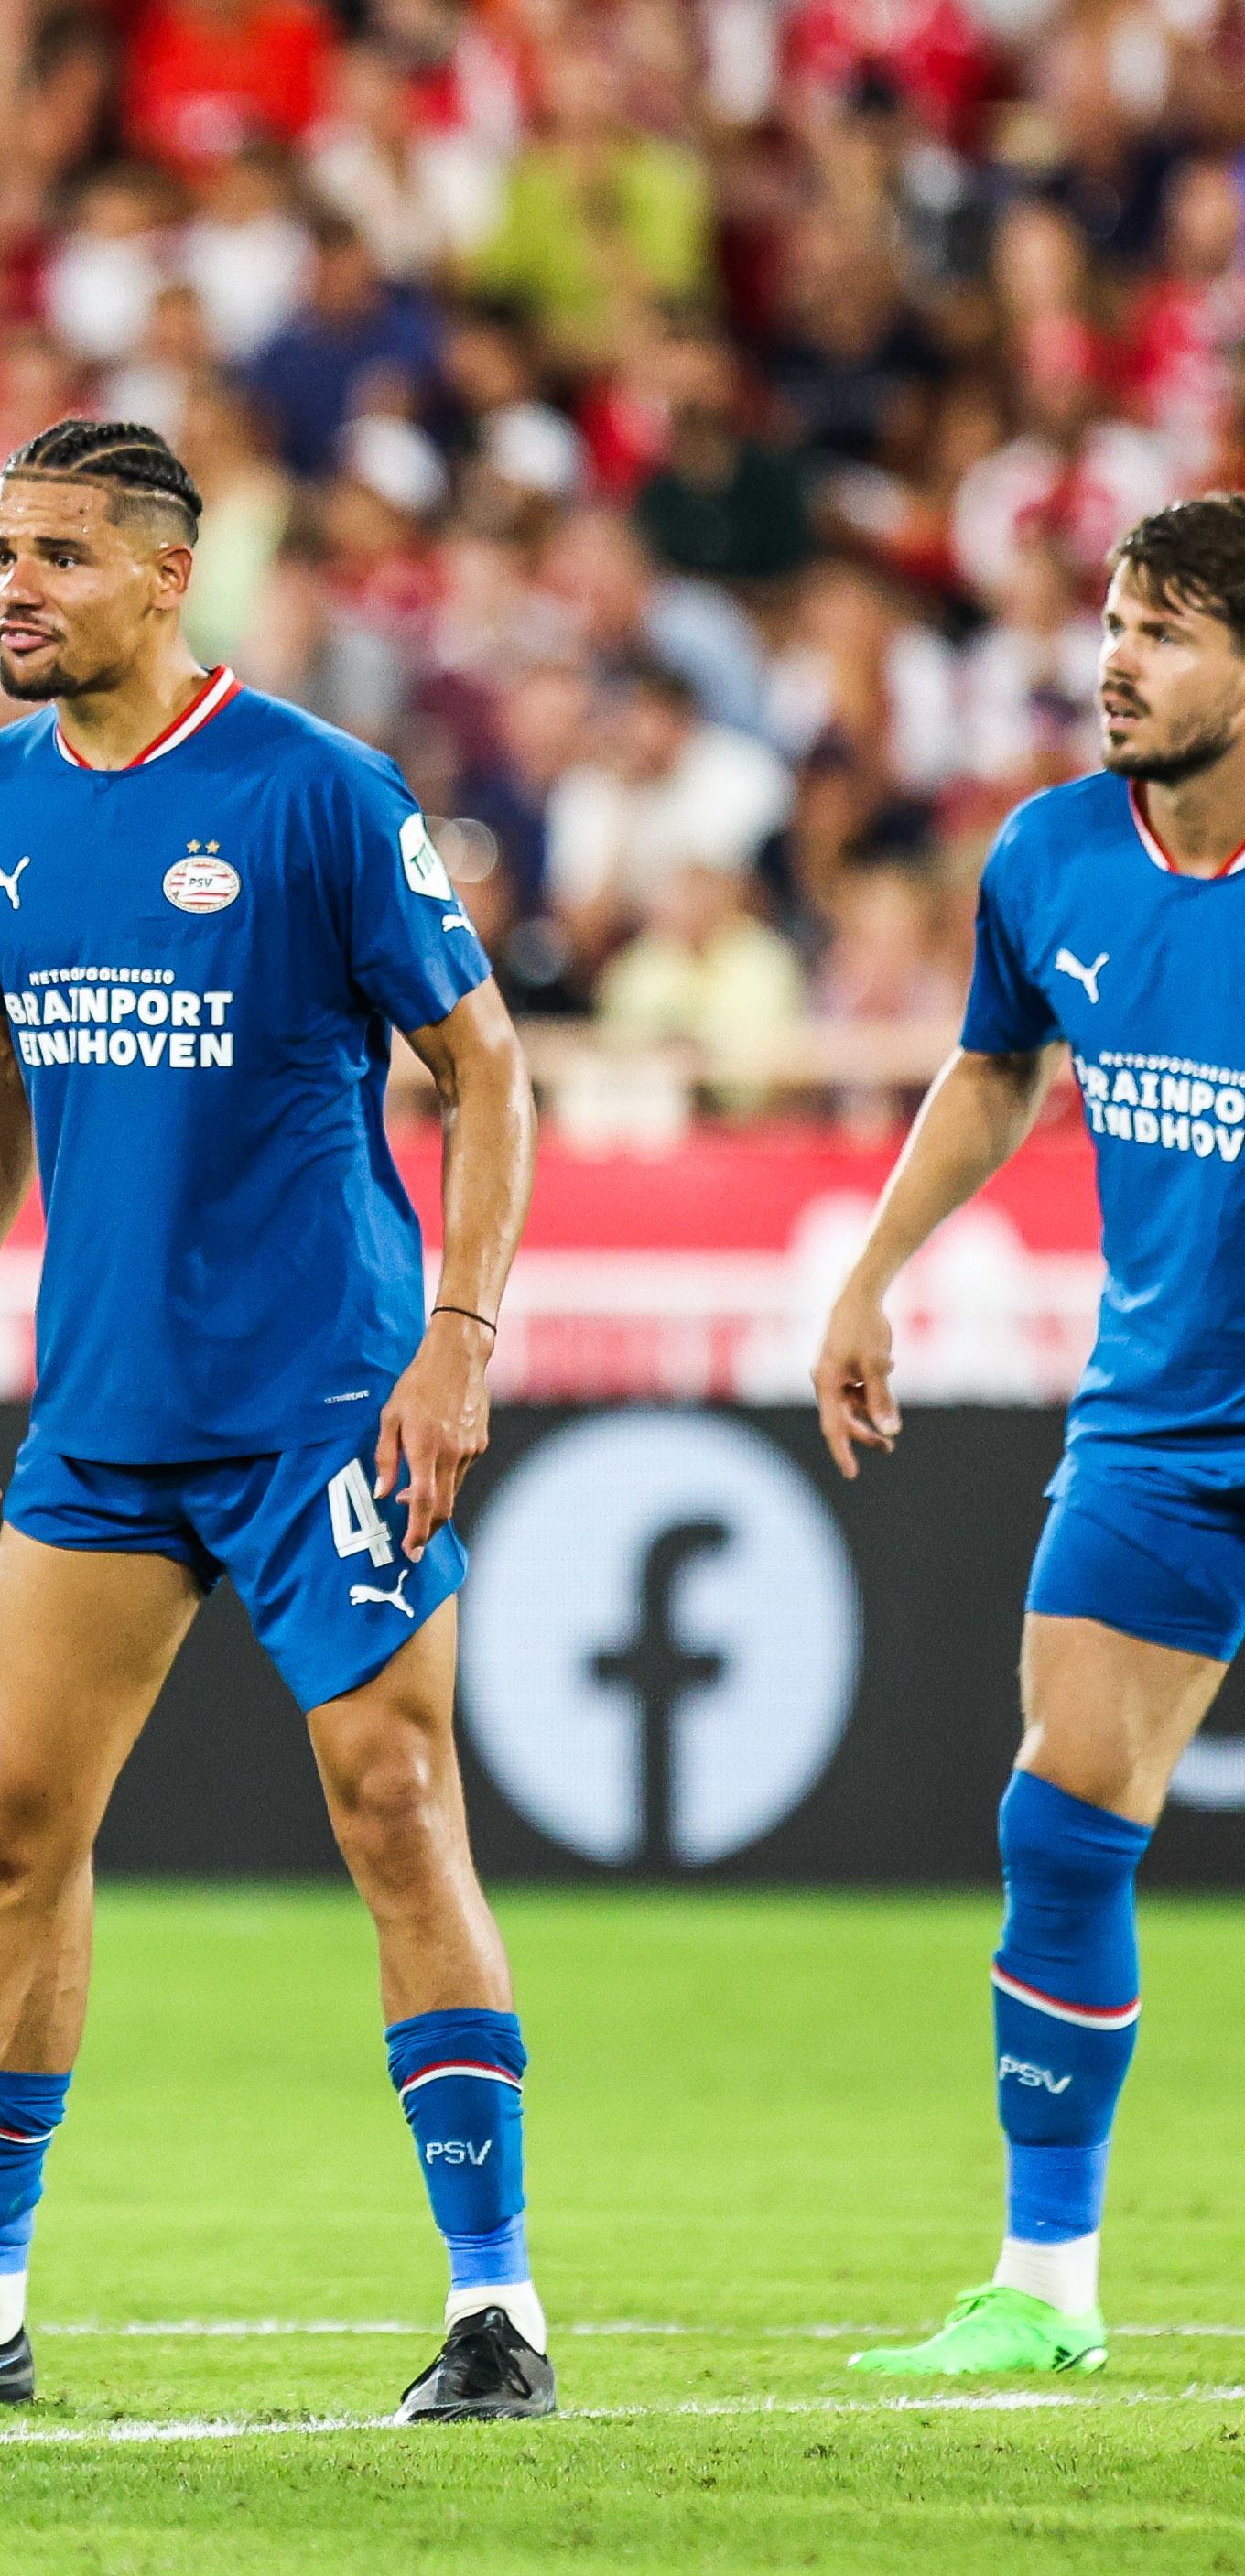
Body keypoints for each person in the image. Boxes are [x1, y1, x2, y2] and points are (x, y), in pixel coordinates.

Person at [0, 417, 551, 2425]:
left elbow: (487, 1069)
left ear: (166, 576)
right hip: (106, 1410)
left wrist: (456, 1334)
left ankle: (496, 2309)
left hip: (321, 1409)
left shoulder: (313, 793)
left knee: (394, 1806)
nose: (12, 588)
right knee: (7, 1825)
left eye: (57, 557)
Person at [821, 495, 1245, 2379]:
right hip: (1161, 1422)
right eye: (1114, 621)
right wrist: (873, 1269)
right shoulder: (1054, 853)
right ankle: (1047, 2292)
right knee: (1059, 1827)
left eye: (1164, 629)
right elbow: (1001, 1066)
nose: (1115, 660)